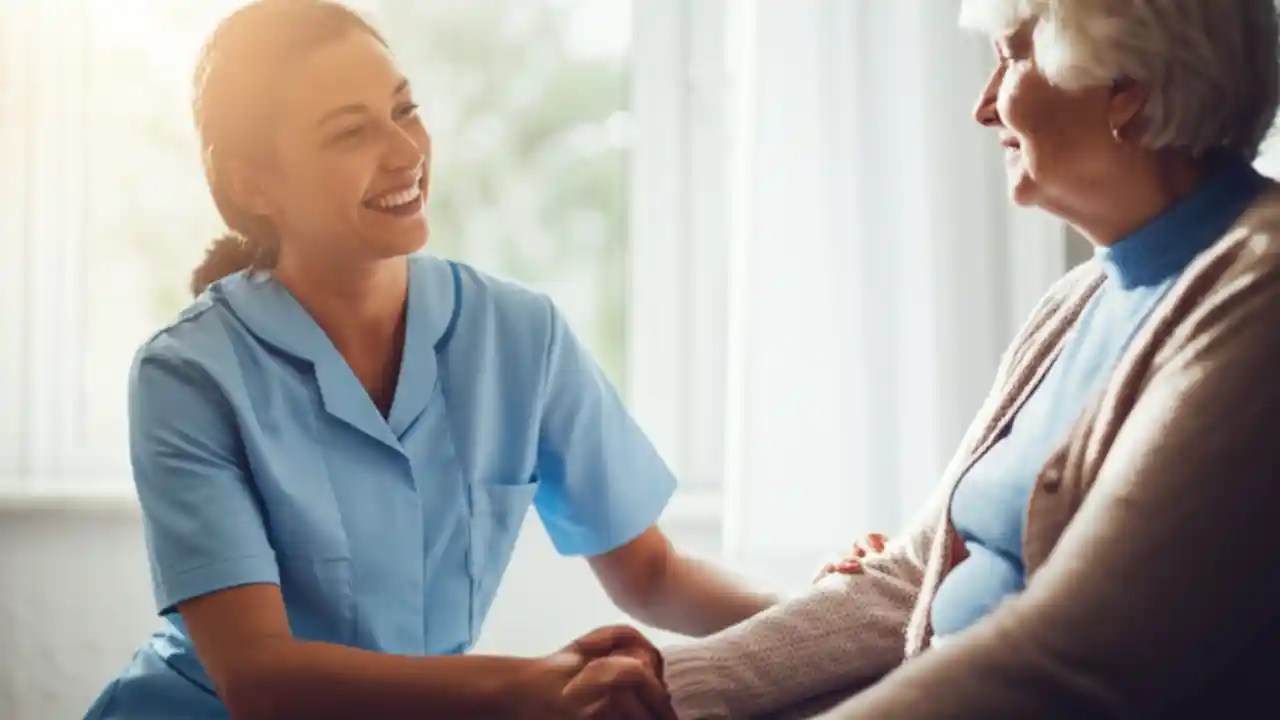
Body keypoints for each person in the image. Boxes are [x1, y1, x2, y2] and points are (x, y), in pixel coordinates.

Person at [83, 2, 775, 718]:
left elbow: (654, 574)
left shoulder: (520, 335)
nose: (406, 152)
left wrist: (832, 617)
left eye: (404, 108)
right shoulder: (188, 376)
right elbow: (259, 679)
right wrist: (536, 686)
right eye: (350, 131)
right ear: (254, 183)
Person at [663, 1, 1280, 717]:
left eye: (1012, 59)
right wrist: (662, 690)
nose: (983, 107)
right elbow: (907, 580)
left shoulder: (1259, 288)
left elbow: (1073, 656)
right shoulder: (1078, 299)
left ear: (1125, 85)